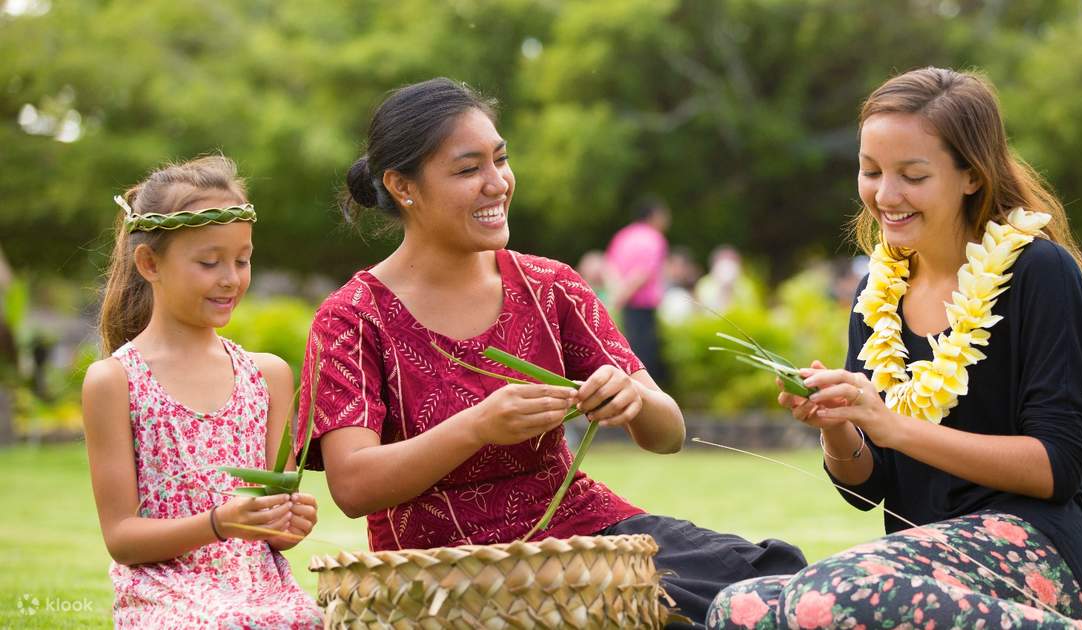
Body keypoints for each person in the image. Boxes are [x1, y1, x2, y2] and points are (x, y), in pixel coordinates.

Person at [297, 78, 809, 626]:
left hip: (584, 538)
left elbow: (669, 433)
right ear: (403, 186)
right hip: (441, 574)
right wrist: (478, 425)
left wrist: (630, 396)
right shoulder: (351, 318)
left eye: (501, 160)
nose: (497, 184)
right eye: (469, 170)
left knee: (775, 591)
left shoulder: (549, 286)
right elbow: (352, 487)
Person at [708, 67, 1082, 630]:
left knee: (822, 595)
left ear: (971, 174)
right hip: (920, 557)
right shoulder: (878, 291)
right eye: (870, 171)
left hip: (1033, 554)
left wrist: (894, 426)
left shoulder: (1040, 272)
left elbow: (1057, 466)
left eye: (912, 176)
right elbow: (869, 488)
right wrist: (838, 423)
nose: (885, 195)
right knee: (739, 608)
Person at [81, 156, 322, 629]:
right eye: (209, 262)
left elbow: (273, 532)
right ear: (149, 263)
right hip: (164, 592)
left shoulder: (267, 376)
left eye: (242, 260)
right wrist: (217, 523)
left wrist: (290, 521)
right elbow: (122, 538)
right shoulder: (115, 381)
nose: (230, 278)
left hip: (260, 588)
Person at [605, 195, 671, 381]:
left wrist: (617, 295)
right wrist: (624, 294)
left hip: (624, 303)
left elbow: (610, 266)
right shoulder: (653, 238)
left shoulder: (623, 236)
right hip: (642, 306)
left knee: (627, 348)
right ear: (654, 215)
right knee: (645, 353)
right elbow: (643, 273)